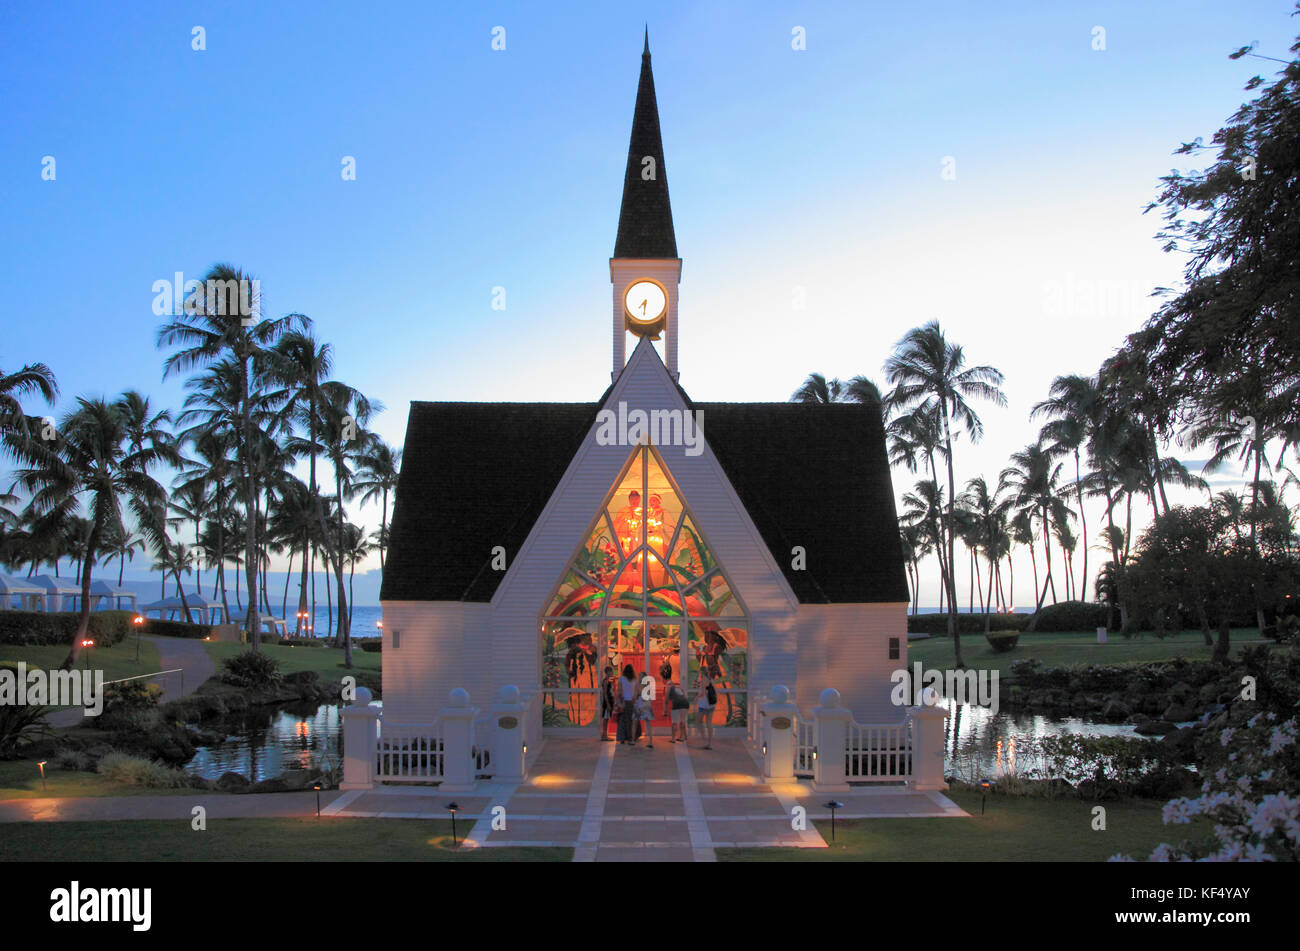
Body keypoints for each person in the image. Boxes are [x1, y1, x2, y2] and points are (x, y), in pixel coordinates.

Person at [616, 664, 637, 745]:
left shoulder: (621, 679)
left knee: (622, 720)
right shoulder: (634, 679)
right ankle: (630, 737)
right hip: (631, 701)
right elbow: (635, 692)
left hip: (624, 701)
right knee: (631, 721)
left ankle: (622, 738)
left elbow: (619, 691)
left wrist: (617, 701)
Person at [666, 675, 689, 743]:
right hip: (685, 703)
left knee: (674, 722)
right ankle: (682, 737)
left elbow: (666, 700)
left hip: (677, 703)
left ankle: (673, 739)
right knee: (682, 721)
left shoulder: (669, 688)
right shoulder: (679, 688)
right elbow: (685, 697)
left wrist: (666, 709)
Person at [696, 672, 716, 749]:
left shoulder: (704, 681)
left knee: (698, 721)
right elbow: (715, 692)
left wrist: (697, 697)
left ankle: (704, 738)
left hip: (703, 706)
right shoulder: (711, 681)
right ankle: (709, 743)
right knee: (709, 723)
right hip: (711, 705)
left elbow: (703, 693)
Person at [635, 675, 656, 749]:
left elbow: (637, 694)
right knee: (648, 723)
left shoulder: (639, 685)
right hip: (647, 703)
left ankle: (634, 738)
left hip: (641, 703)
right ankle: (650, 741)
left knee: (635, 720)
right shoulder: (648, 686)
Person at [599, 665, 616, 741]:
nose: (612, 672)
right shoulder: (606, 681)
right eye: (611, 671)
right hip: (607, 702)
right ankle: (604, 735)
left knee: (607, 718)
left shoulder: (609, 680)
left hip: (609, 701)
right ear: (607, 672)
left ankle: (604, 734)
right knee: (605, 719)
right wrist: (608, 704)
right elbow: (605, 693)